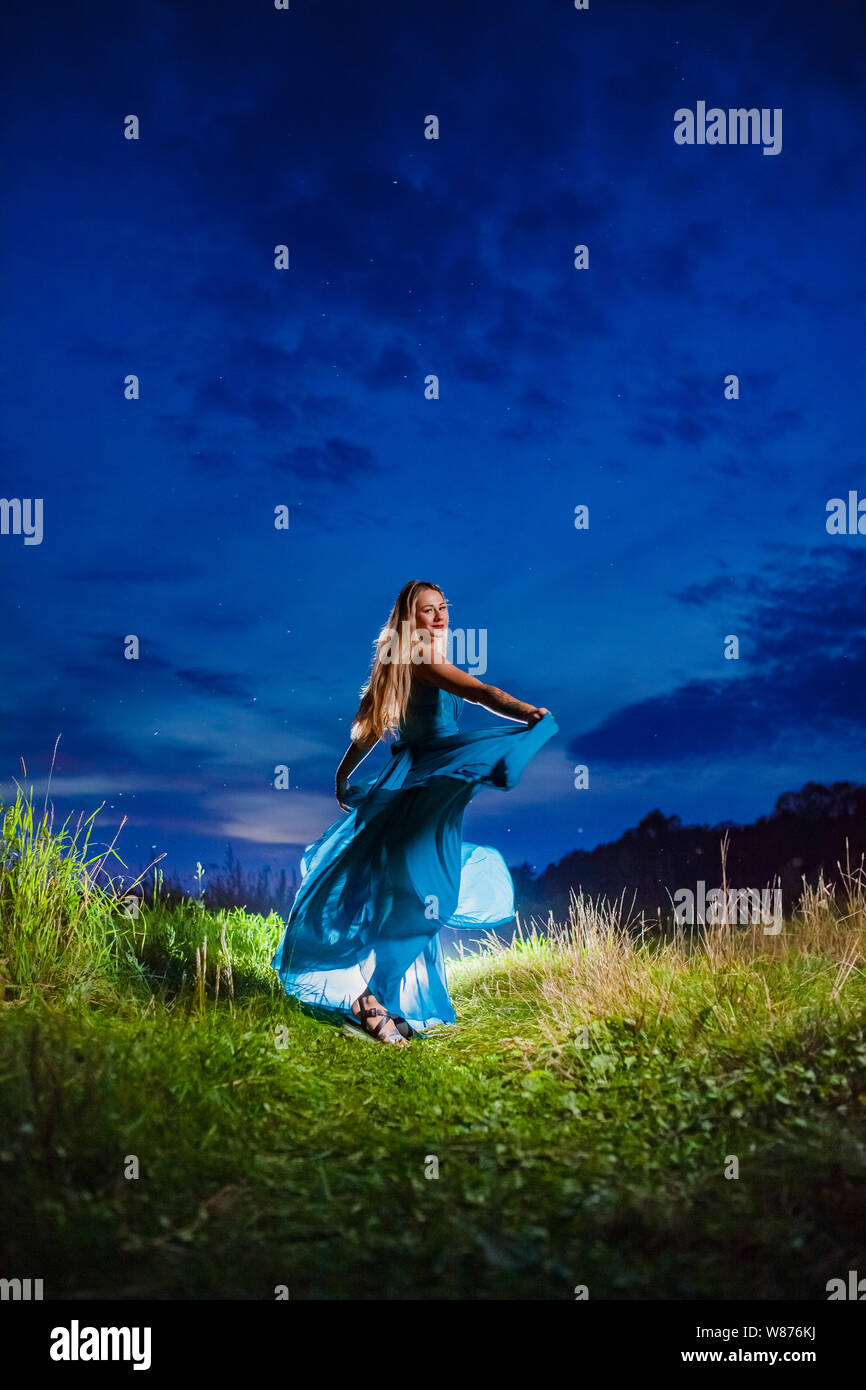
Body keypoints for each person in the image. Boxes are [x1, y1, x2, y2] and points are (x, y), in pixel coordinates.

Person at [271, 580, 558, 1045]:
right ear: (410, 619)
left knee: (413, 894)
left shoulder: (394, 666)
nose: (440, 617)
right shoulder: (423, 661)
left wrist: (342, 776)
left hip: (416, 785)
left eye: (443, 608)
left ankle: (384, 1002)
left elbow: (367, 731)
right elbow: (481, 692)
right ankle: (371, 1003)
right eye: (428, 610)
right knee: (431, 895)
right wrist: (529, 712)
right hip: (424, 785)